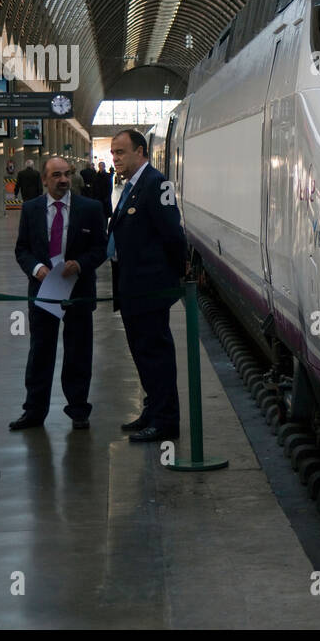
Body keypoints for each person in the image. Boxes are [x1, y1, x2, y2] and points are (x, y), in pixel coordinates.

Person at [9, 156, 108, 430]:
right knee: (40, 351)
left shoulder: (90, 208)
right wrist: (37, 268)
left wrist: (81, 264)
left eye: (67, 174)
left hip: (78, 290)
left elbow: (101, 248)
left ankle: (78, 409)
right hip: (44, 290)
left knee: (78, 351)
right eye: (56, 175)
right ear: (44, 179)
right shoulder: (30, 209)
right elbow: (22, 250)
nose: (63, 180)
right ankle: (34, 411)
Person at [109, 129, 187, 442]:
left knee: (156, 355)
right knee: (142, 354)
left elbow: (173, 234)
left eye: (121, 152)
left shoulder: (157, 183)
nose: (115, 158)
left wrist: (174, 276)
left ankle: (166, 420)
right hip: (131, 288)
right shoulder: (132, 185)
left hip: (150, 288)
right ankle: (152, 410)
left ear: (140, 152)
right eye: (113, 153)